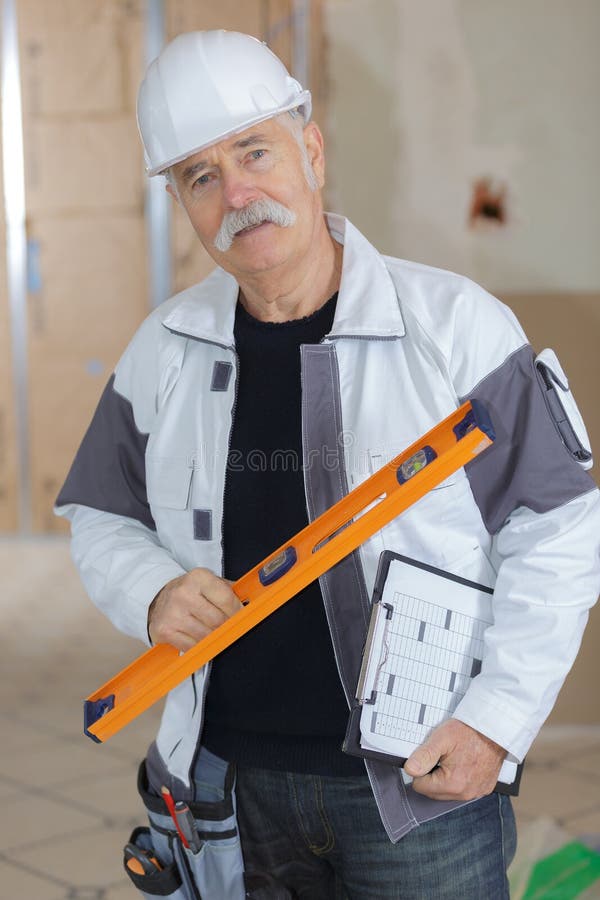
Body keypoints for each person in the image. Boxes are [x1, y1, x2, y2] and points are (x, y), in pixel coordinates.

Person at [56, 29, 600, 900]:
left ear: (311, 150)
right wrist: (152, 591)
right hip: (232, 784)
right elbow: (99, 513)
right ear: (182, 203)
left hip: (419, 788)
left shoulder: (458, 328)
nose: (238, 192)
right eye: (201, 175)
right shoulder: (162, 350)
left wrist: (496, 722)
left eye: (255, 151)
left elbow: (561, 528)